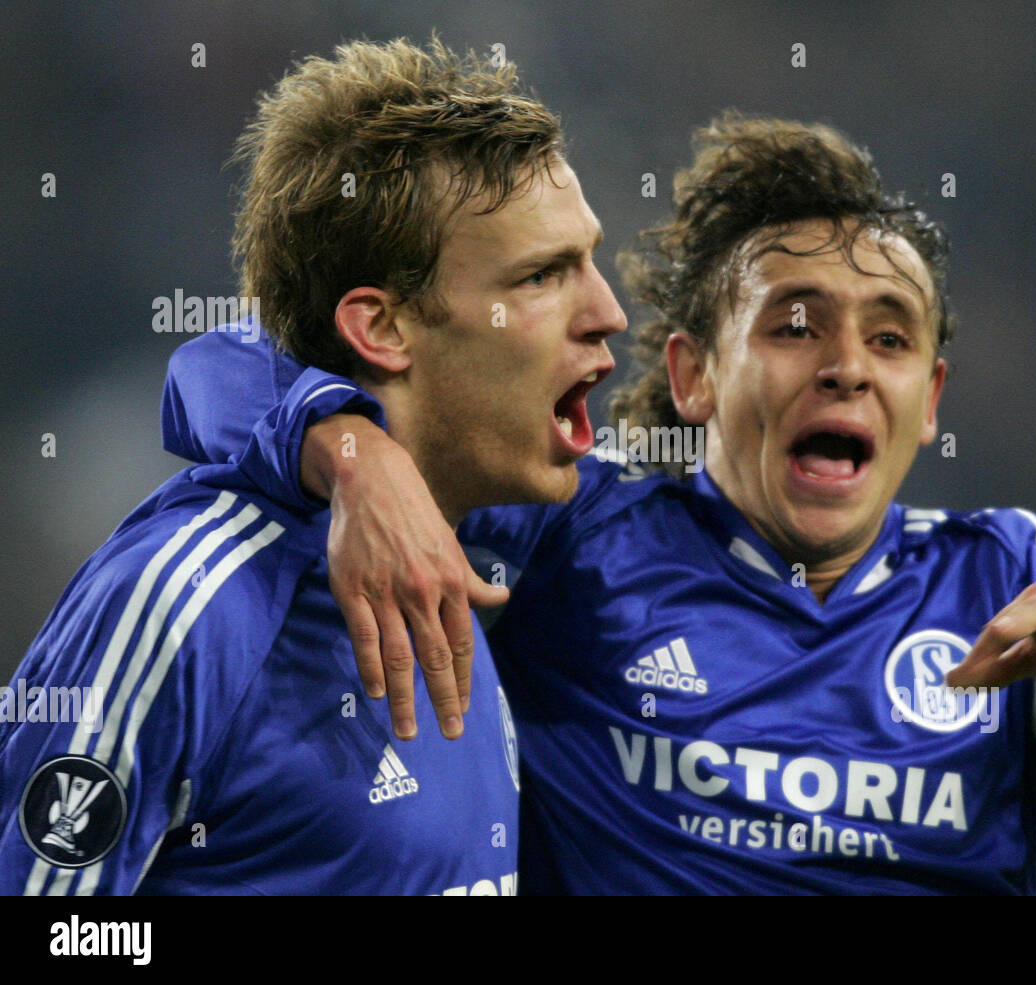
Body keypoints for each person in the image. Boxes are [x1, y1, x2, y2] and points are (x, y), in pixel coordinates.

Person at [162, 115, 1036, 894]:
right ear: (696, 375)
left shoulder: (1003, 583)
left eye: (891, 338)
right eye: (795, 324)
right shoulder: (579, 543)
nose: (848, 365)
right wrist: (356, 455)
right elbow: (214, 370)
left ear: (929, 399)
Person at [0, 34, 624, 895]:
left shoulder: (496, 548)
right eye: (542, 277)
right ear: (383, 328)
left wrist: (343, 440)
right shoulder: (186, 603)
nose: (609, 312)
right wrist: (348, 444)